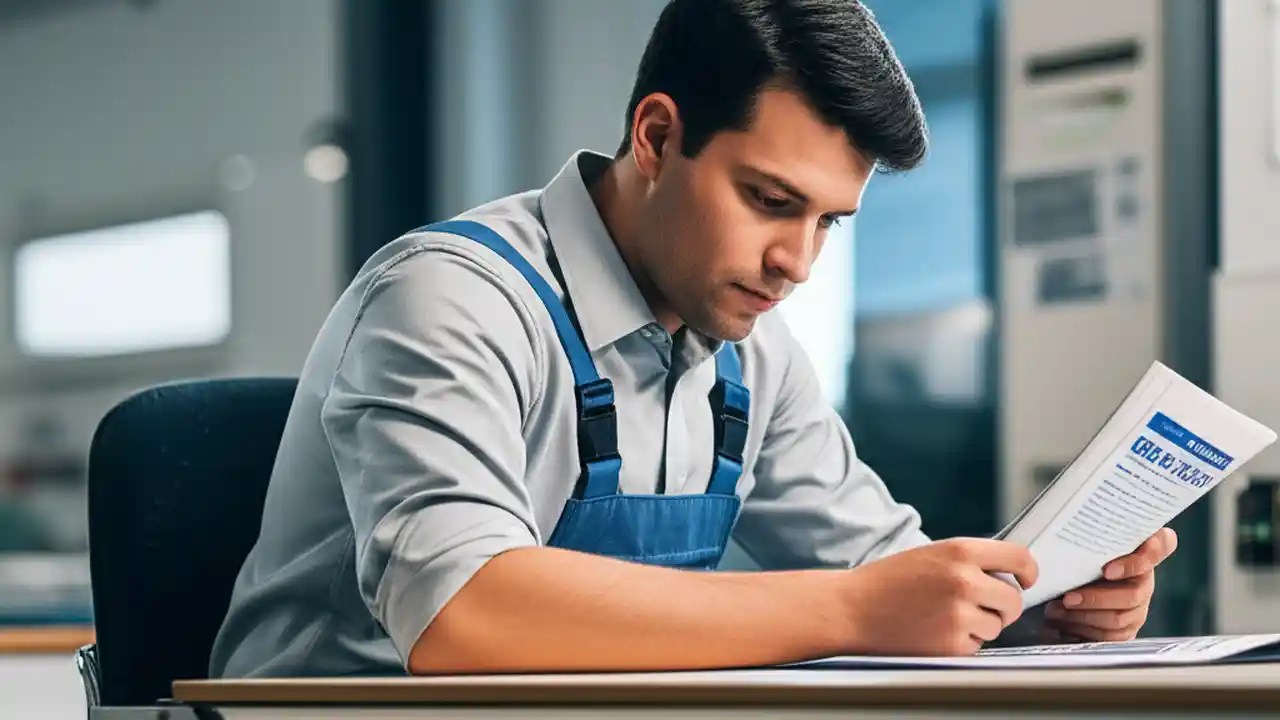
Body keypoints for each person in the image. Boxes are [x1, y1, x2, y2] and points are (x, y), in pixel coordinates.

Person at [210, 0, 1176, 678]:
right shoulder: (448, 299)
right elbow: (461, 610)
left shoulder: (750, 353)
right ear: (658, 137)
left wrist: (1026, 616)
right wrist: (854, 611)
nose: (796, 260)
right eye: (769, 201)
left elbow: (887, 574)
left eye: (828, 222)